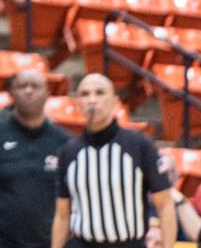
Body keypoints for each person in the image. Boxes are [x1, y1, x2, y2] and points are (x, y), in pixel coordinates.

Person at [52, 73, 175, 248]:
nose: (92, 100)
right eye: (85, 94)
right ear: (78, 103)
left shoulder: (139, 145)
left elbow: (165, 205)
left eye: (100, 93)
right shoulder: (68, 152)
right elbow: (62, 214)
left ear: (114, 101)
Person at [0, 69, 72, 248]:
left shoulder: (65, 143)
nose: (29, 91)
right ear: (11, 93)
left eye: (35, 86)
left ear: (48, 93)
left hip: (44, 242)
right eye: (22, 86)